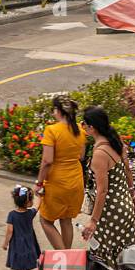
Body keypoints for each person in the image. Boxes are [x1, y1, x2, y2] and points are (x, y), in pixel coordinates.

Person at [81, 106, 135, 270]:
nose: (82, 126)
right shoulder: (116, 141)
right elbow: (128, 171)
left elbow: (102, 191)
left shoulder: (100, 154)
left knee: (105, 261)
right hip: (125, 207)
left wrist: (93, 221)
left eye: (83, 123)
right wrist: (132, 197)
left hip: (110, 213)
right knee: (123, 259)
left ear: (92, 127)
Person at [34, 94, 85, 250]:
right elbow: (81, 156)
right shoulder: (80, 131)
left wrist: (39, 182)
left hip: (58, 183)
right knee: (66, 220)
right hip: (76, 181)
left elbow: (47, 161)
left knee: (45, 220)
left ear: (58, 110)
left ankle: (63, 256)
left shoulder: (52, 130)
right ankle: (68, 259)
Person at [3, 185, 40, 270]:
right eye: (32, 199)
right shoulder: (30, 213)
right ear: (28, 203)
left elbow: (10, 231)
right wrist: (41, 197)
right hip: (30, 245)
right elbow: (37, 207)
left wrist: (5, 244)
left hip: (19, 247)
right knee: (21, 265)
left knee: (22, 269)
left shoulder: (12, 215)